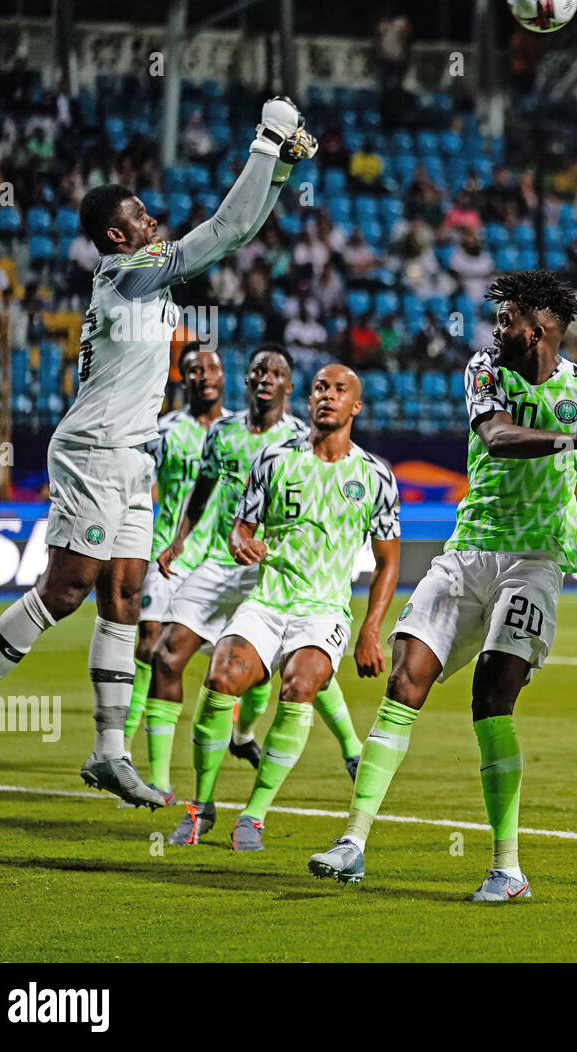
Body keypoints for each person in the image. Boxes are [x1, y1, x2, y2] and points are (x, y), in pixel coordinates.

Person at [0, 97, 317, 800]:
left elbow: (236, 233)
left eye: (150, 217)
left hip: (132, 454)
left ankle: (108, 752)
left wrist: (279, 173)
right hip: (94, 450)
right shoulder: (126, 277)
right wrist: (266, 146)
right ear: (117, 239)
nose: (153, 224)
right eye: (140, 220)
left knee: (123, 597)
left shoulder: (143, 275)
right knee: (65, 589)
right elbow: (224, 229)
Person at [307, 271, 577, 898]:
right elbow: (498, 436)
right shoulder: (485, 369)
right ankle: (353, 840)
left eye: (508, 316)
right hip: (470, 550)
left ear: (539, 326)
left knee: (493, 692)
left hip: (537, 560)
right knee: (407, 676)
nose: (497, 326)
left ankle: (506, 867)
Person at [170, 364, 401, 851]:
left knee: (299, 685)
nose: (328, 397)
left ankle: (253, 815)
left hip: (324, 610)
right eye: (321, 388)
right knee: (220, 678)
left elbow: (387, 562)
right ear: (309, 397)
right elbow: (242, 526)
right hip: (268, 599)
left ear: (356, 406)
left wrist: (369, 631)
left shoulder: (375, 475)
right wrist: (240, 543)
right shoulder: (275, 460)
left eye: (340, 391)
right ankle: (202, 806)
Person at [147, 347, 364, 814]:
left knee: (303, 670)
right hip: (220, 561)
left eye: (277, 373)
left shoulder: (299, 440)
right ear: (245, 381)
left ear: (291, 388)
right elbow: (200, 494)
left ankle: (341, 746)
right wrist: (179, 542)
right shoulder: (223, 434)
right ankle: (161, 784)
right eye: (259, 371)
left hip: (277, 573)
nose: (265, 379)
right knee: (166, 654)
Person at [120, 346, 229, 765]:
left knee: (244, 656)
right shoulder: (163, 433)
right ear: (183, 380)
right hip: (167, 554)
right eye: (194, 370)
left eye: (211, 368)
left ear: (224, 377)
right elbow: (135, 485)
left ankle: (241, 733)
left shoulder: (241, 433)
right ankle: (122, 752)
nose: (203, 376)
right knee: (149, 645)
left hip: (222, 559)